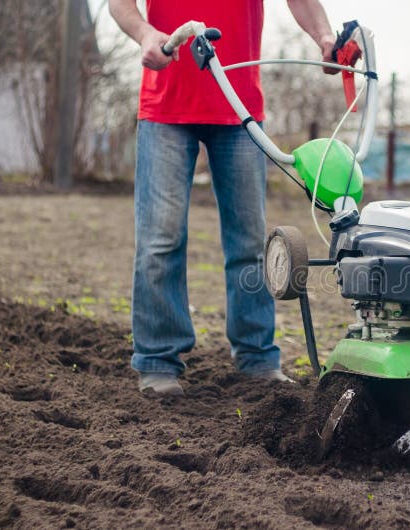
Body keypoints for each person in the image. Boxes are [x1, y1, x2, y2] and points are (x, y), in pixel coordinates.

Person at [109, 0, 337, 396]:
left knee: (250, 243)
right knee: (159, 241)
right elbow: (119, 4)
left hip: (239, 108)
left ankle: (257, 357)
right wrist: (145, 33)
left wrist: (325, 37)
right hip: (165, 109)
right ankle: (159, 361)